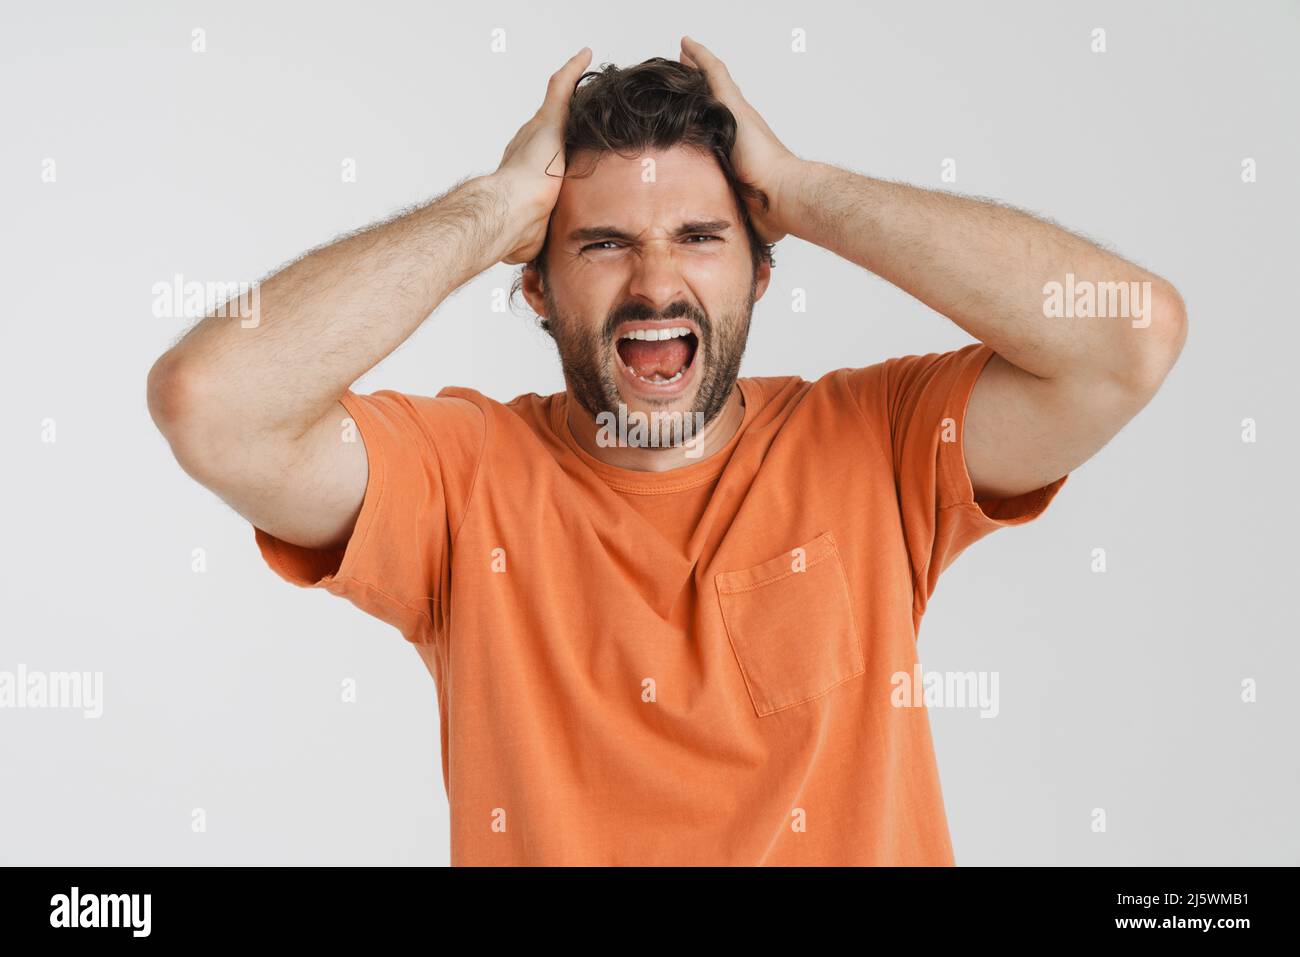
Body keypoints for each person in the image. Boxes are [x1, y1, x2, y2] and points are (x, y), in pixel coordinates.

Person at [146, 38, 1187, 865]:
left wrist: (807, 192)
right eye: (602, 243)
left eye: (700, 235)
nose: (654, 282)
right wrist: (492, 208)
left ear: (760, 273)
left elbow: (1126, 339)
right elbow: (214, 402)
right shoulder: (459, 481)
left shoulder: (878, 443)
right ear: (538, 286)